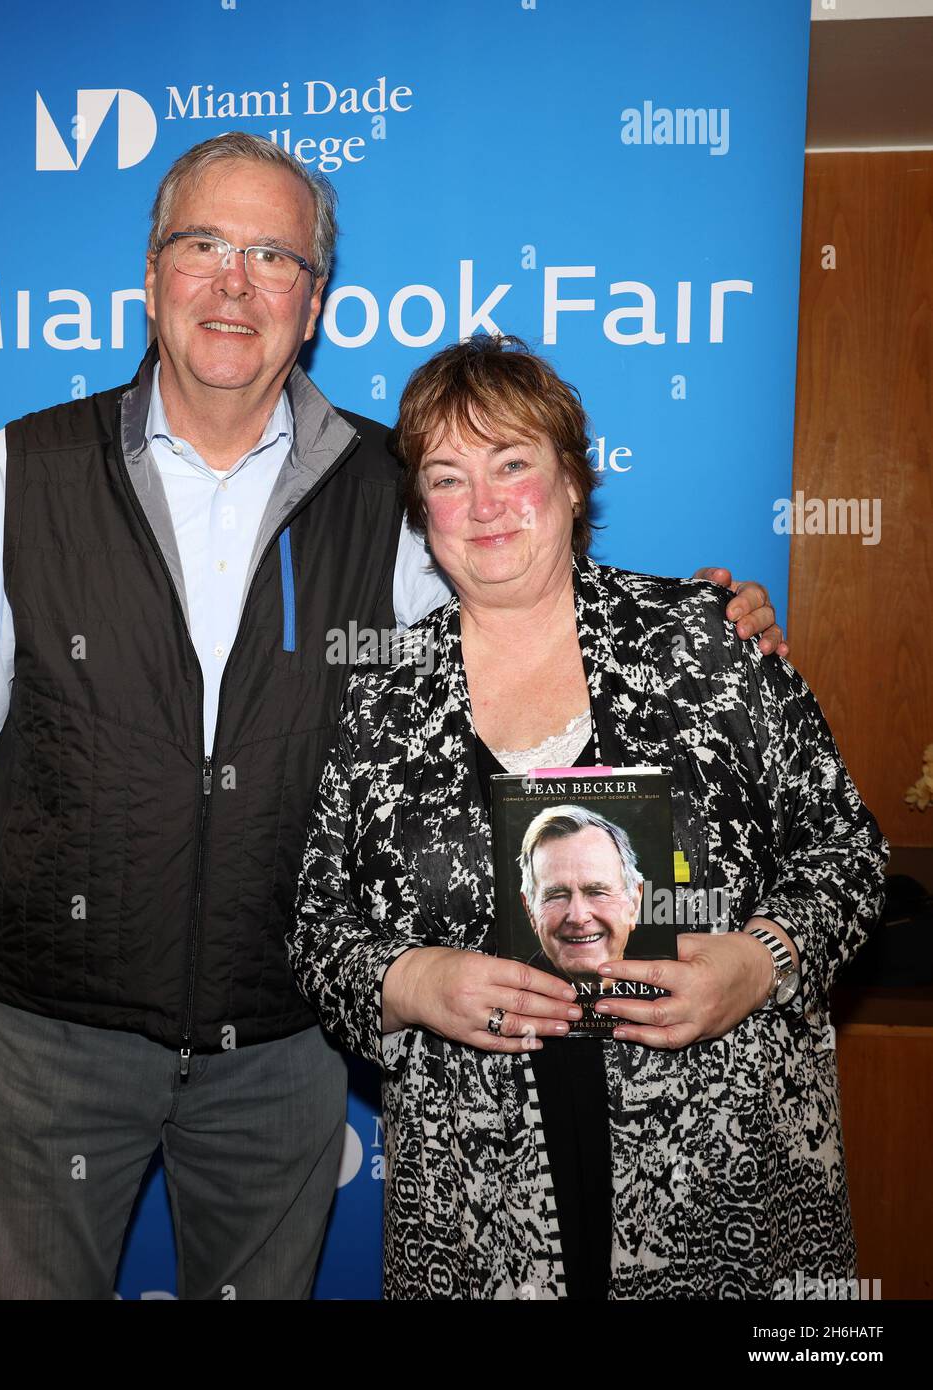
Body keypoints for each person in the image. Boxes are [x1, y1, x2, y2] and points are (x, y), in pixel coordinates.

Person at [0, 135, 786, 1300]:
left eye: (273, 256)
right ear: (151, 277)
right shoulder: (23, 468)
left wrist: (694, 617)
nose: (233, 281)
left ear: (310, 304)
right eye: (202, 245)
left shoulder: (388, 486)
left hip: (286, 1041)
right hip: (52, 1034)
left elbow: (524, 610)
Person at [288, 334, 887, 1301]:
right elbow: (320, 935)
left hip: (720, 1177)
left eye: (512, 464)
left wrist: (757, 962)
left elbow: (849, 857)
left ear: (572, 481)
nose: (482, 506)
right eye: (446, 477)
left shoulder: (705, 641)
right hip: (479, 1205)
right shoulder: (383, 698)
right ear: (420, 513)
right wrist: (411, 978)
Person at [520, 806, 644, 984]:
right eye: (557, 895)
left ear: (635, 903)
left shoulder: (670, 991)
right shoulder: (500, 1000)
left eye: (596, 892)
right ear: (530, 910)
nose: (578, 917)